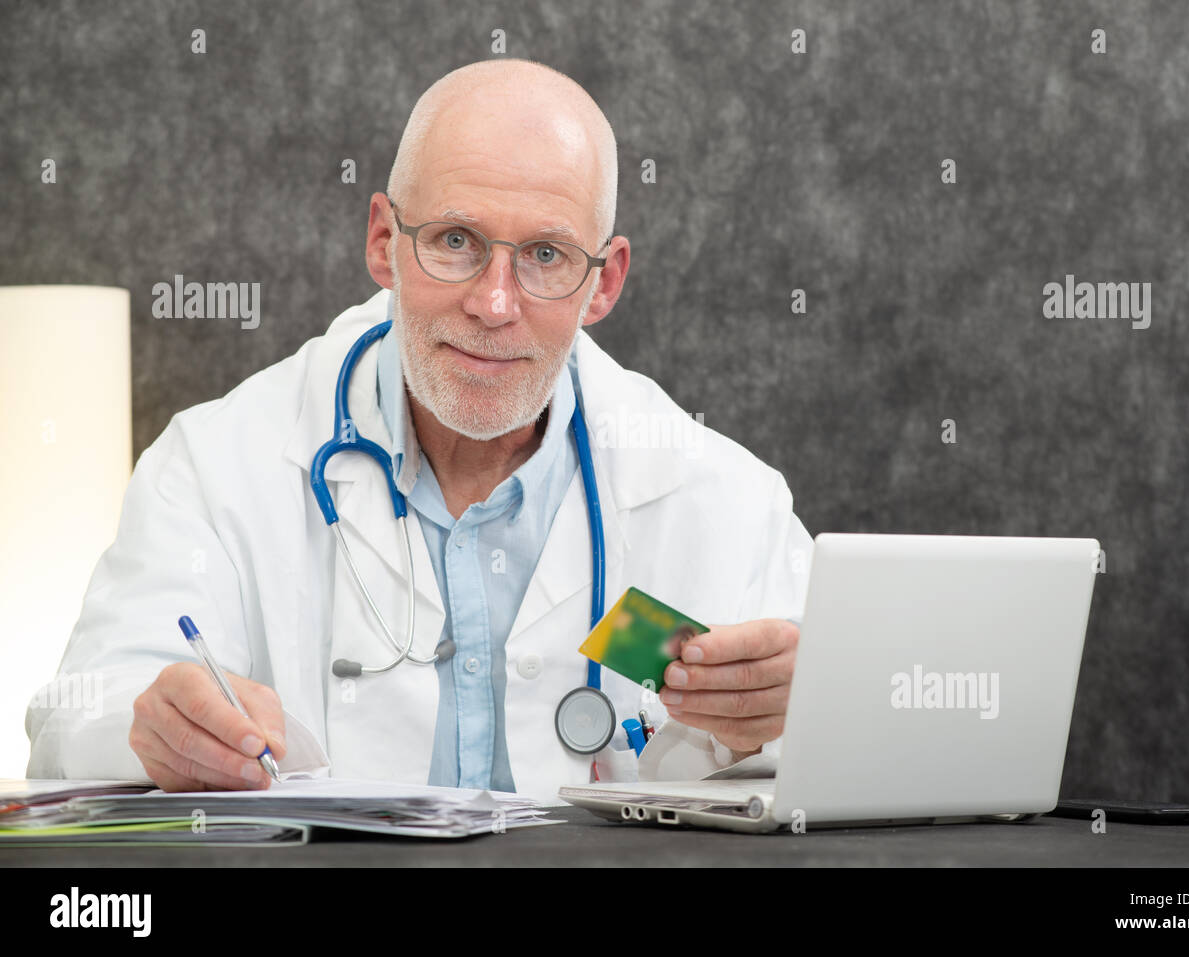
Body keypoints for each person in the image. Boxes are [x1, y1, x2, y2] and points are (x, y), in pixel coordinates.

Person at [25, 58, 812, 801]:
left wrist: (785, 716)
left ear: (603, 281)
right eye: (455, 241)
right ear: (383, 242)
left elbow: (865, 735)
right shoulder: (215, 464)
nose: (494, 304)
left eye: (544, 254)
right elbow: (74, 718)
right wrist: (155, 726)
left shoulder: (724, 499)